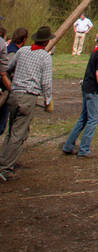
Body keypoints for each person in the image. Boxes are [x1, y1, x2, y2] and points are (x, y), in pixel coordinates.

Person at [0, 25, 53, 181]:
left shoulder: (22, 51)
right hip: (28, 97)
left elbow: (9, 67)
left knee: (11, 130)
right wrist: (48, 100)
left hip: (14, 94)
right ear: (46, 42)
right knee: (19, 133)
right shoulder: (45, 57)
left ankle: (3, 161)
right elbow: (46, 82)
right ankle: (5, 169)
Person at [63, 29, 98, 157]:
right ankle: (84, 149)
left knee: (83, 118)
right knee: (93, 119)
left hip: (87, 87)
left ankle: (68, 145)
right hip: (93, 89)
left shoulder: (97, 49)